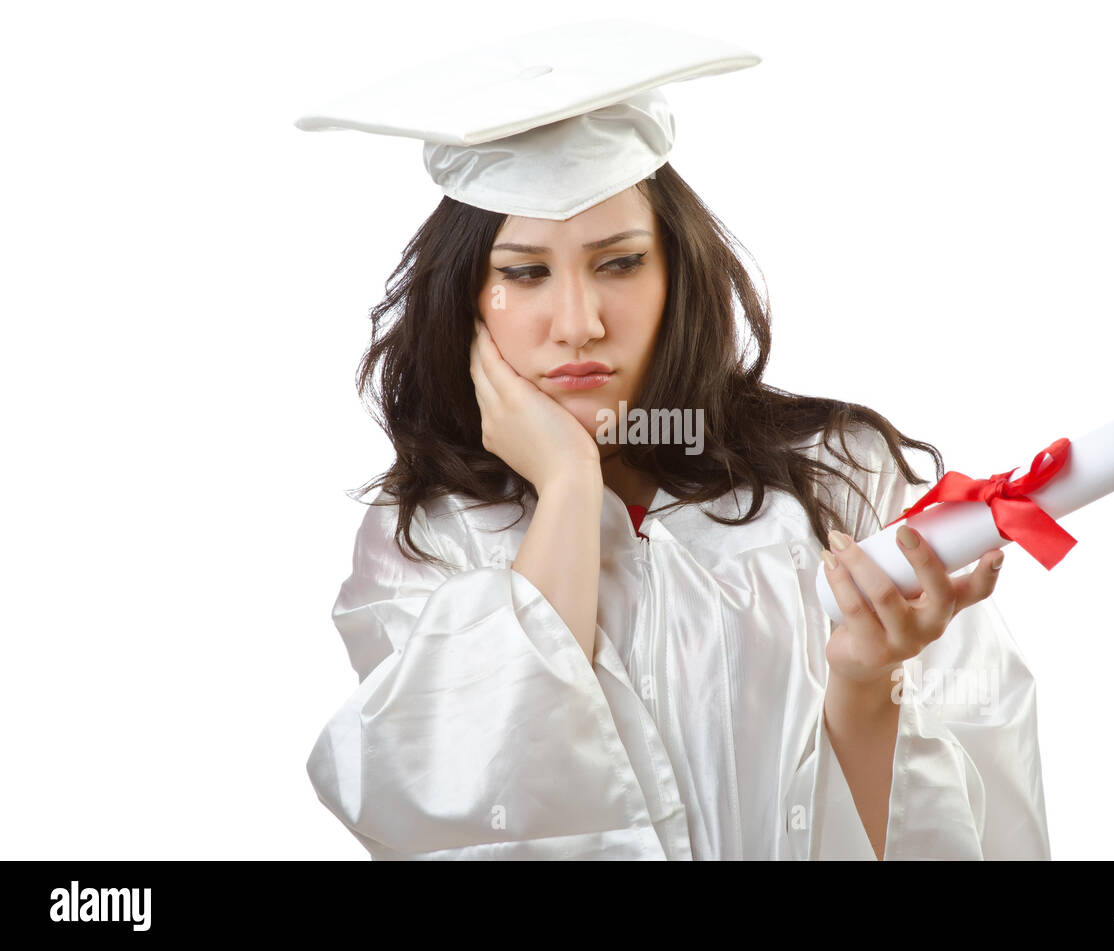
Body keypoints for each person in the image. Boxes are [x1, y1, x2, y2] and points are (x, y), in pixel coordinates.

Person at [296, 19, 1050, 860]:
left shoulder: (841, 482)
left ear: (676, 273)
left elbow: (983, 819)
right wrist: (570, 486)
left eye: (618, 262)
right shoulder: (426, 542)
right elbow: (462, 813)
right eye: (525, 272)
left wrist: (867, 688)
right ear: (467, 298)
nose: (578, 324)